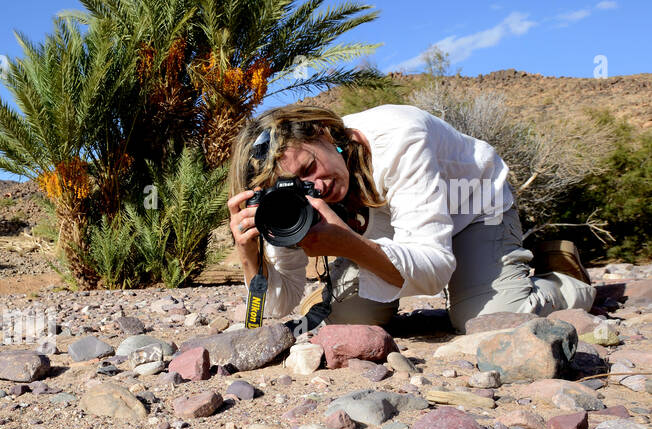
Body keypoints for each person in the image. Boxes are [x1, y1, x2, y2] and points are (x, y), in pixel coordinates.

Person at [225, 103, 596, 332]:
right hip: (387, 231)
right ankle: (336, 296)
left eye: (310, 166)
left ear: (323, 132)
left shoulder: (401, 137)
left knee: (489, 319)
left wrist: (349, 245)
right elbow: (274, 308)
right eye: (297, 184)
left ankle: (564, 276)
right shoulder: (283, 202)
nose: (315, 188)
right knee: (351, 322)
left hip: (471, 205)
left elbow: (434, 270)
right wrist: (251, 256)